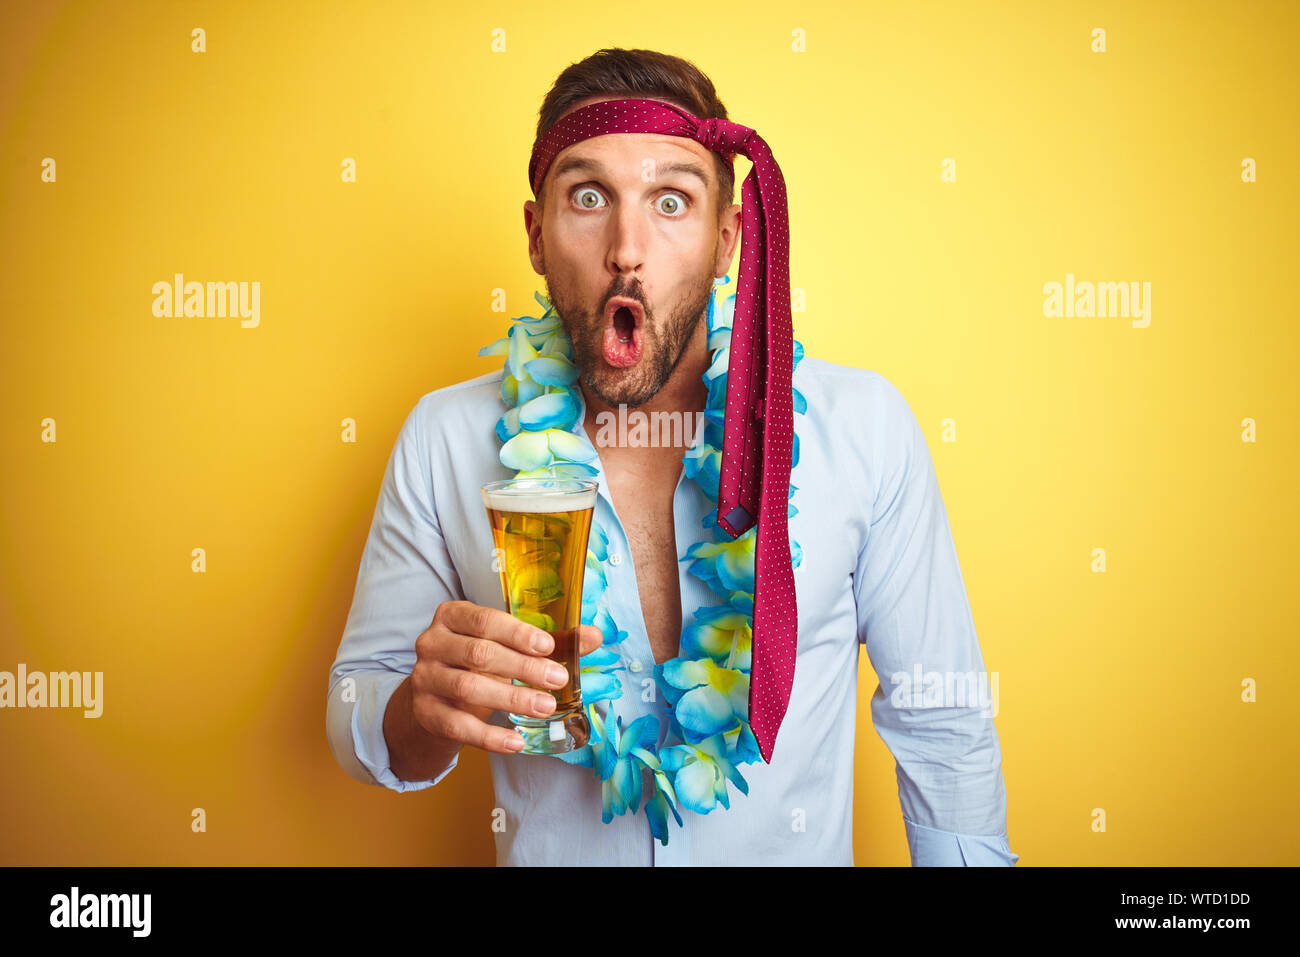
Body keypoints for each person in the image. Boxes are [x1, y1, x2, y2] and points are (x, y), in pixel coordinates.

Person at [326, 48, 1019, 867]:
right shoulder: (443, 439)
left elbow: (943, 726)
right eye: (588, 197)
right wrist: (420, 706)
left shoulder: (862, 429)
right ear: (537, 236)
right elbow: (353, 709)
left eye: (671, 200)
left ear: (727, 240)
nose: (628, 247)